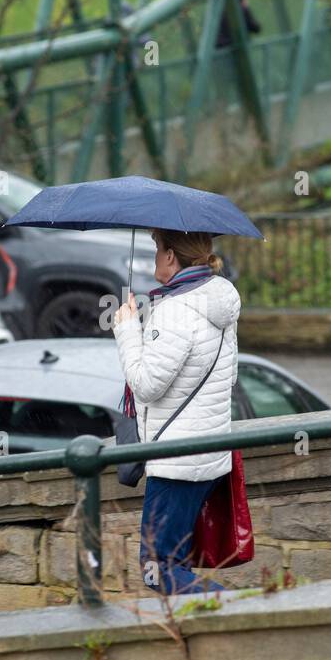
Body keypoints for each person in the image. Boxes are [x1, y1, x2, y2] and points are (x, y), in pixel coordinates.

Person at [113, 228, 241, 593]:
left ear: (171, 256)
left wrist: (127, 331)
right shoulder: (218, 299)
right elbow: (229, 375)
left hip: (177, 463)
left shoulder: (174, 310)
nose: (154, 256)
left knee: (159, 570)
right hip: (211, 456)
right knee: (176, 563)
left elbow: (147, 384)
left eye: (157, 249)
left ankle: (238, 612)